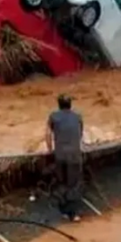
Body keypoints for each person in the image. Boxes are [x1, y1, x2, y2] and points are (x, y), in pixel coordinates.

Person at [46, 94, 84, 222]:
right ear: (70, 104)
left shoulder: (53, 116)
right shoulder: (78, 116)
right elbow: (80, 134)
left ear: (59, 104)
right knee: (73, 184)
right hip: (74, 155)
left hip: (60, 155)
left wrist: (50, 150)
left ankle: (63, 211)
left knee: (61, 183)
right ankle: (73, 214)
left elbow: (47, 134)